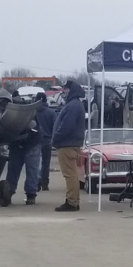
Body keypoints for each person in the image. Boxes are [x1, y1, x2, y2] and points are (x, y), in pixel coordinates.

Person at [51, 80, 86, 212]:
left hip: (67, 145)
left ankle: (71, 202)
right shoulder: (76, 105)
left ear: (71, 90)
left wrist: (55, 139)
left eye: (65, 89)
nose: (63, 91)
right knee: (72, 174)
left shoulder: (72, 106)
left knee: (69, 175)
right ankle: (74, 200)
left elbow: (66, 127)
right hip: (71, 144)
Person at [5, 91, 42, 204]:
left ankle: (25, 193)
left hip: (31, 142)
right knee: (26, 170)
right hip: (21, 143)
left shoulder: (24, 113)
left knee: (25, 169)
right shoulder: (28, 110)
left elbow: (32, 128)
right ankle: (26, 194)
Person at [34, 93, 57, 191]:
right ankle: (44, 183)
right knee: (45, 163)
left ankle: (35, 181)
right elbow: (55, 127)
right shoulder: (51, 113)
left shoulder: (32, 112)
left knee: (34, 162)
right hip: (47, 140)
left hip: (34, 140)